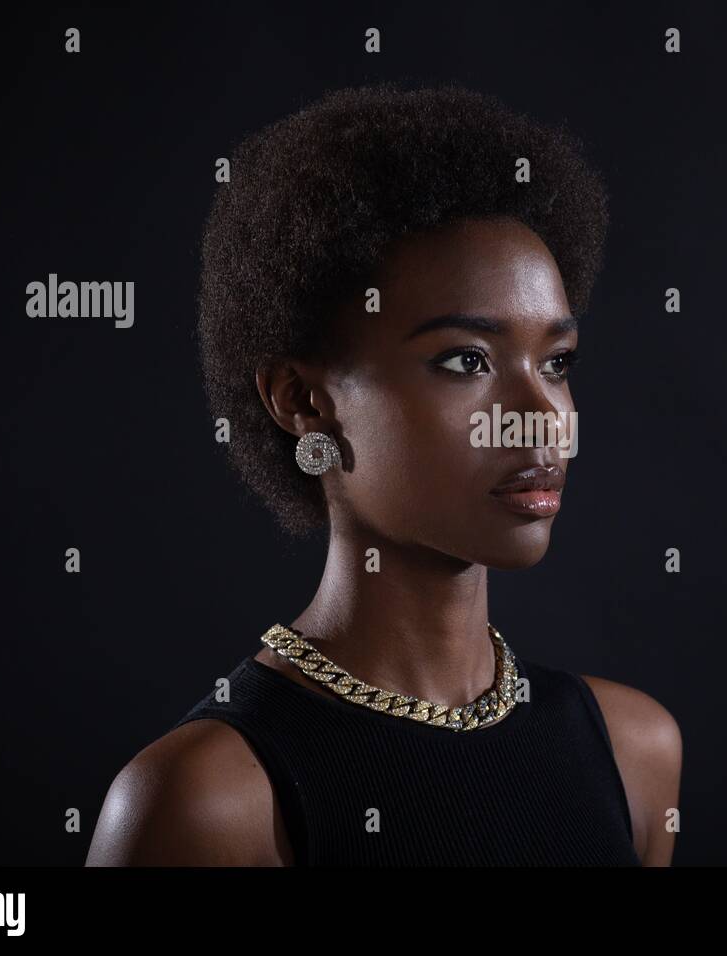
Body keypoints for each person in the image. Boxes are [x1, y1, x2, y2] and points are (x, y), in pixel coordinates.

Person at [85, 81, 681, 866]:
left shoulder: (634, 752)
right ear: (303, 401)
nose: (542, 415)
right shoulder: (210, 801)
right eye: (466, 361)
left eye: (557, 362)